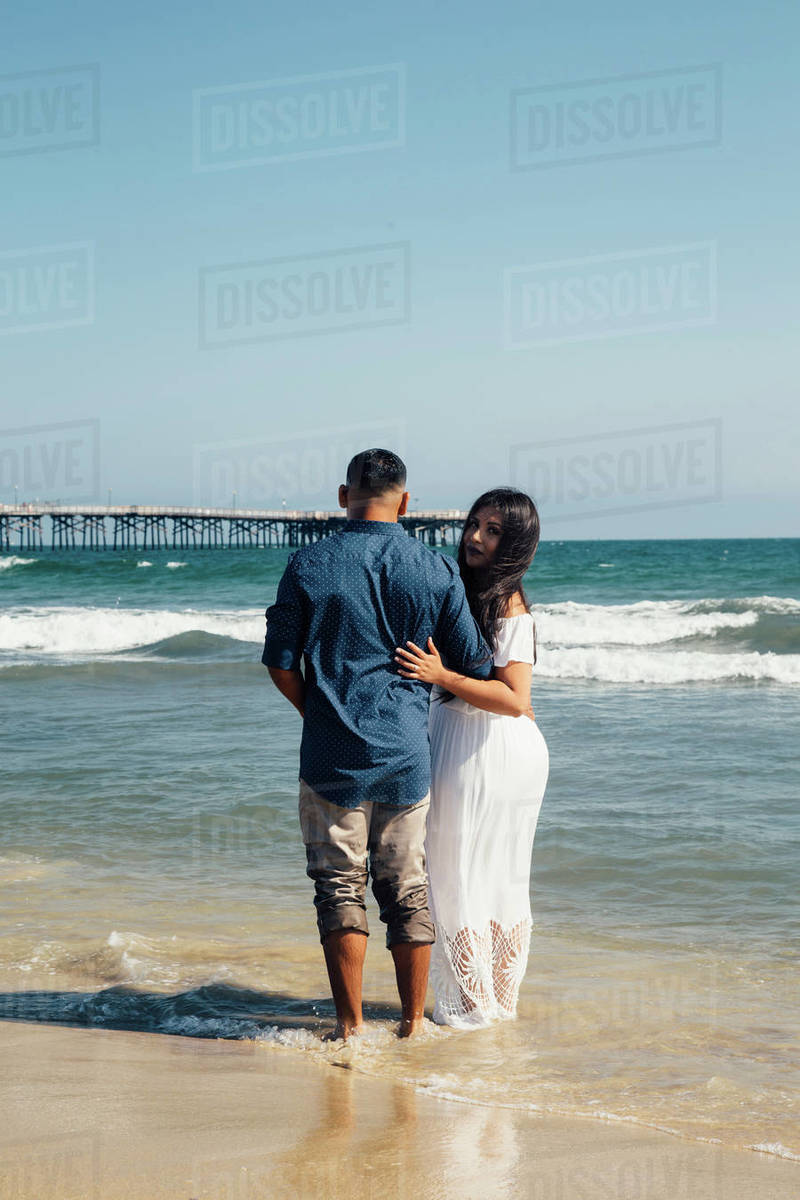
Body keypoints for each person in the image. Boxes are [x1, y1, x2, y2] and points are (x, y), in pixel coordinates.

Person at [262, 449, 492, 1040]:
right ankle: (414, 1024)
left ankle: (349, 1026)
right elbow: (473, 663)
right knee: (406, 890)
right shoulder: (433, 568)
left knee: (338, 888)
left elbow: (281, 664)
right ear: (406, 501)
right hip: (406, 757)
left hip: (330, 757)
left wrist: (318, 714)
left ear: (344, 495)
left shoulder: (308, 565)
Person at [394, 488, 548, 1028]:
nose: (475, 537)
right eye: (474, 524)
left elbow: (515, 700)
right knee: (463, 868)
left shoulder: (510, 605)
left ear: (515, 544)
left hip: (492, 747)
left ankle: (475, 1008)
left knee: (467, 869)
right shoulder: (463, 592)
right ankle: (480, 1003)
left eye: (493, 530)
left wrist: (442, 677)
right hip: (465, 738)